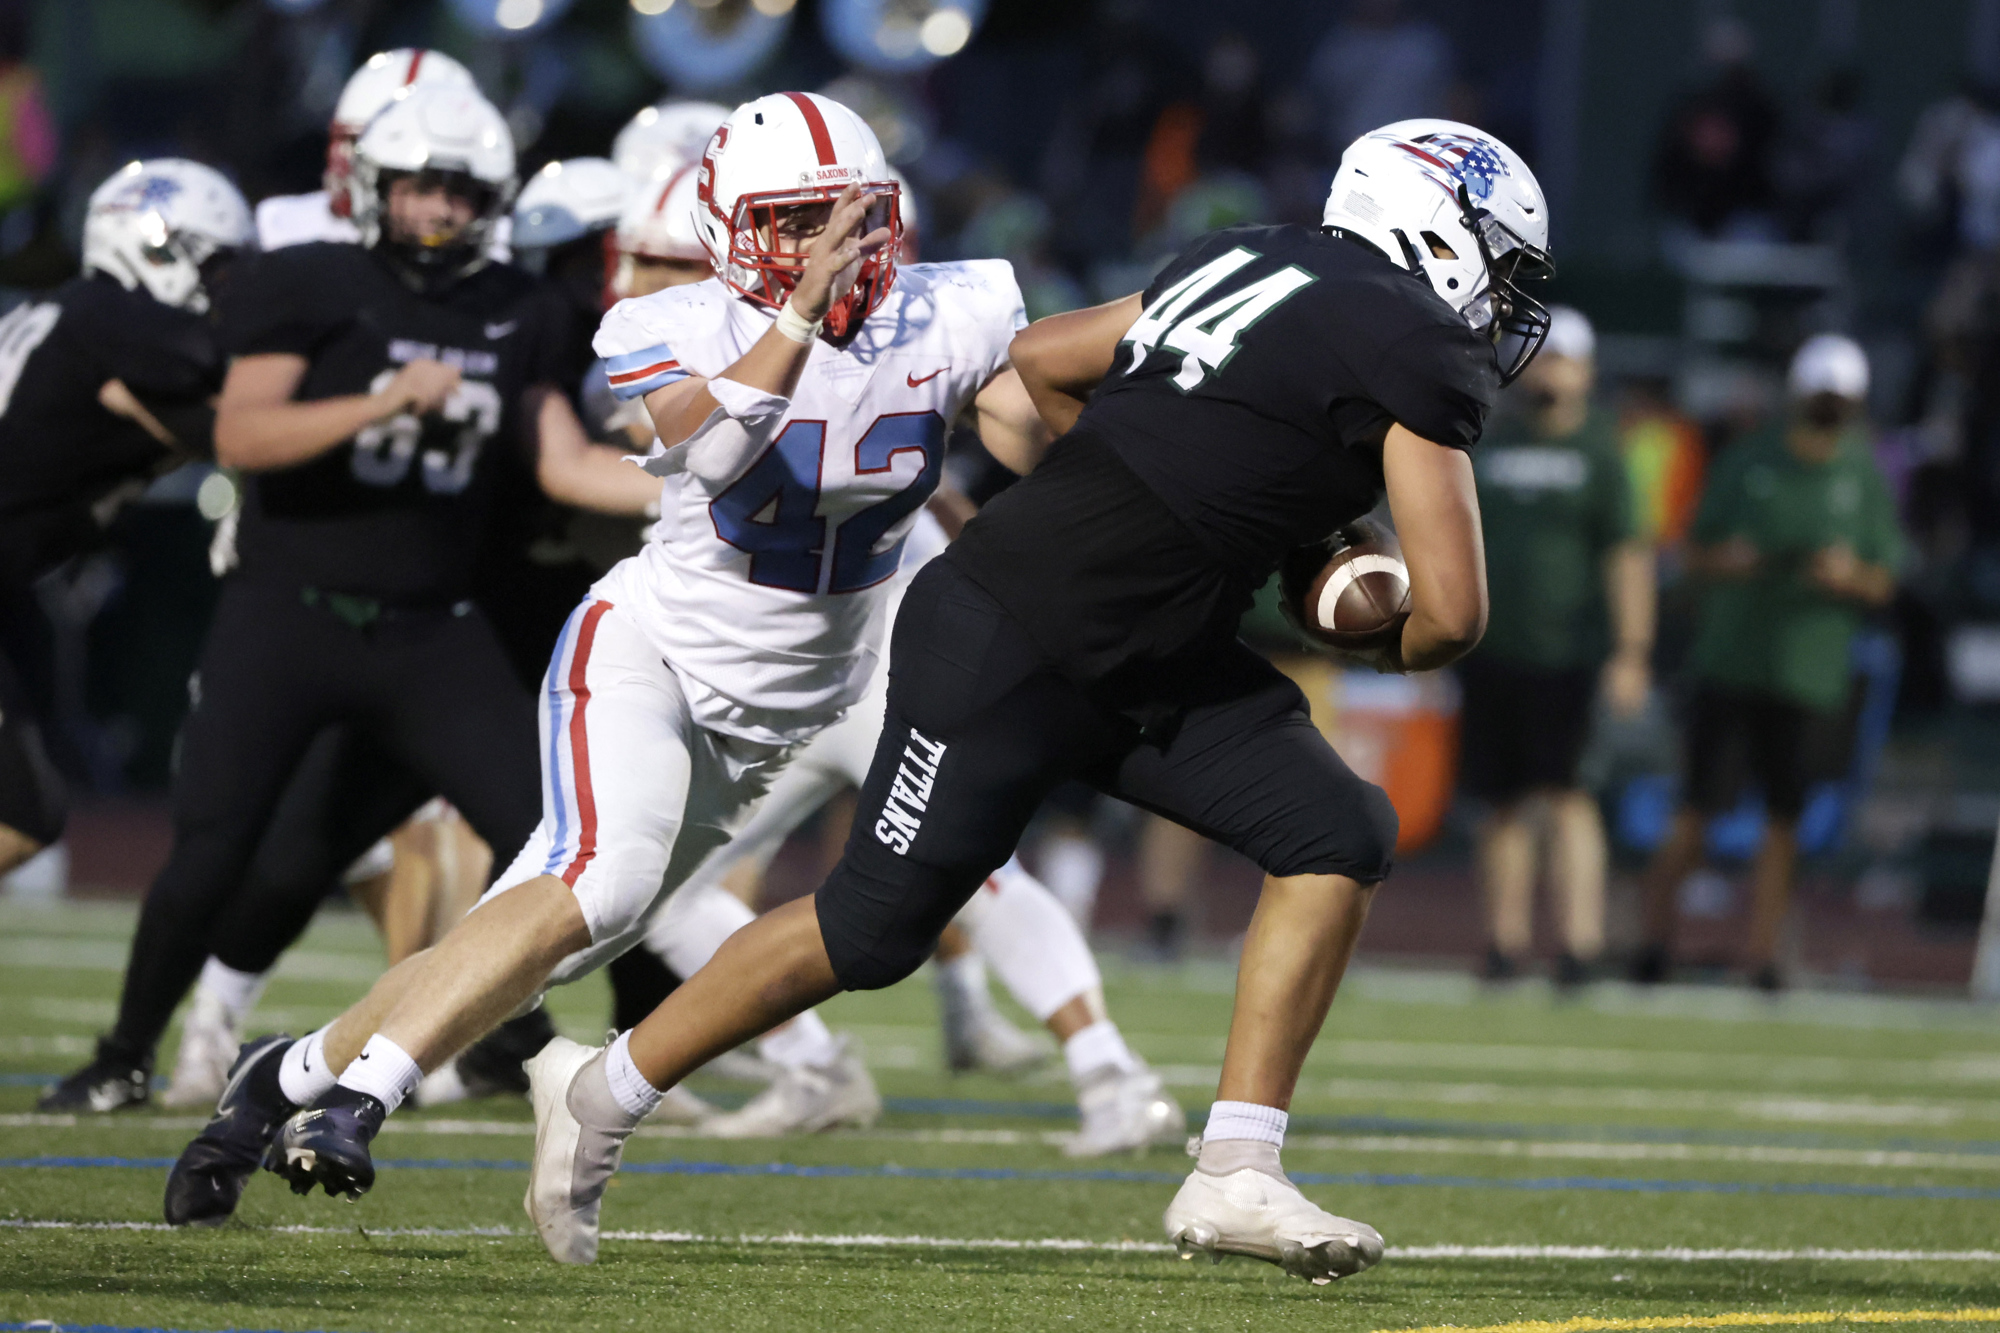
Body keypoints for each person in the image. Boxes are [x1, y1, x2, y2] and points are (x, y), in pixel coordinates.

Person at [520, 118, 1552, 1280]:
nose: (1505, 306)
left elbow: (1048, 357)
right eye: (1503, 268)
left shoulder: (1248, 253)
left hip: (1139, 639)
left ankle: (1235, 1171)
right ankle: (600, 1092)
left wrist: (1152, 492)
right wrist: (1369, 633)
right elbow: (1453, 615)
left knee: (1334, 828)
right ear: (1436, 229)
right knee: (870, 930)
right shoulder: (1414, 340)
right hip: (1014, 638)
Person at [164, 91, 1048, 1225]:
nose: (823, 246)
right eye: (791, 220)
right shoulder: (666, 321)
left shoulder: (954, 308)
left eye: (845, 217)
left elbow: (1037, 436)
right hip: (650, 655)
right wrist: (802, 317)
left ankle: (281, 1075)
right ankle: (361, 1100)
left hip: (775, 707)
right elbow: (716, 448)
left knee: (546, 938)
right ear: (729, 226)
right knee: (604, 880)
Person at [49, 86, 651, 1139]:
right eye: (417, 186)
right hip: (288, 611)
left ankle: (545, 1038)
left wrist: (688, 486)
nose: (434, 209)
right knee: (220, 845)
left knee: (566, 840)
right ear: (374, 189)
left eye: (457, 190)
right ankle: (122, 1055)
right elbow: (243, 433)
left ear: (491, 199)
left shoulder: (521, 305)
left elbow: (559, 458)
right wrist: (378, 399)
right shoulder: (307, 280)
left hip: (431, 625)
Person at [652, 500, 1184, 1151]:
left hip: (873, 661)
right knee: (673, 888)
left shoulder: (774, 412)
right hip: (804, 674)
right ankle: (811, 1065)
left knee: (974, 875)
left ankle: (1111, 1075)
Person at [0, 159, 248, 888]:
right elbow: (233, 416)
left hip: (11, 583)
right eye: (222, 271)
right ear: (158, 248)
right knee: (26, 809)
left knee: (32, 806)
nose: (229, 295)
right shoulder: (112, 319)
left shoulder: (86, 324)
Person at [1633, 334, 1903, 991]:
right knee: (1697, 811)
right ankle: (1650, 942)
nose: (1830, 408)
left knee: (1785, 820)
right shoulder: (1750, 458)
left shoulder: (1860, 474)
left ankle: (1763, 955)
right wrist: (1731, 560)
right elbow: (1689, 553)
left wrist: (1846, 575)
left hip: (1809, 671)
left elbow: (1885, 577)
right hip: (1734, 660)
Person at [1460, 306, 1654, 986]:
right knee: (1502, 800)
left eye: (1565, 359)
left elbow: (1627, 556)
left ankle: (1579, 943)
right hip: (1492, 645)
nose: (1552, 370)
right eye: (1544, 357)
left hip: (1570, 650)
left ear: (1588, 371)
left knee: (1569, 794)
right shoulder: (1492, 441)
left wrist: (1632, 650)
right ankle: (1505, 943)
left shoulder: (1602, 451)